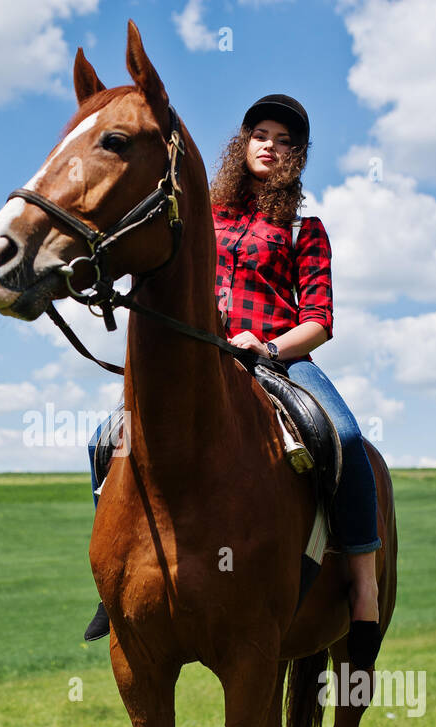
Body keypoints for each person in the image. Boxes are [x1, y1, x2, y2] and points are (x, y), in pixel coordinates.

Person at [82, 94, 382, 650]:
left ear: (296, 157)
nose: (271, 145)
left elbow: (318, 321)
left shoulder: (303, 229)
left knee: (344, 436)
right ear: (242, 143)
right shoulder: (203, 219)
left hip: (282, 361)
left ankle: (363, 581)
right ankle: (113, 578)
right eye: (262, 134)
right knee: (104, 438)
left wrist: (267, 346)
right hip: (204, 359)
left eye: (286, 141)